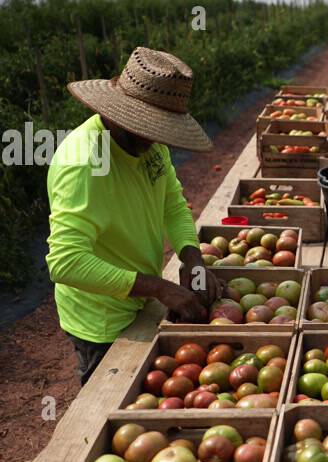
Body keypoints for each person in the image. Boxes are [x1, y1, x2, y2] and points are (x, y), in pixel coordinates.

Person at [46, 47, 224, 384]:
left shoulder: (149, 143)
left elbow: (172, 203)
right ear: (121, 113)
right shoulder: (85, 164)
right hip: (102, 321)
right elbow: (66, 262)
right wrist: (158, 288)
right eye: (151, 126)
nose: (158, 137)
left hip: (137, 298)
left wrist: (192, 257)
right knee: (104, 413)